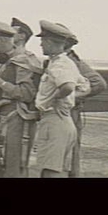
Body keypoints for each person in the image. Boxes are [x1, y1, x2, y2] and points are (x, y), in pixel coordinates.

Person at [0, 21, 42, 178]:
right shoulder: (9, 61)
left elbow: (28, 94)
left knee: (14, 167)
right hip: (5, 120)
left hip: (16, 121)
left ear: (2, 39)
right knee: (3, 164)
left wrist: (1, 83)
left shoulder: (22, 61)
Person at [33, 20, 83, 178]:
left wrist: (51, 100)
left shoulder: (59, 64)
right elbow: (84, 86)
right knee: (57, 170)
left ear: (49, 41)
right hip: (61, 120)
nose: (41, 45)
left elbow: (67, 87)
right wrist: (67, 101)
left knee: (50, 171)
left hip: (54, 119)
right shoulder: (65, 63)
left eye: (42, 41)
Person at [57, 24, 107, 177]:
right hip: (63, 112)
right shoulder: (61, 61)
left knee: (69, 154)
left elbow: (99, 83)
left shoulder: (72, 62)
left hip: (70, 113)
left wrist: (71, 96)